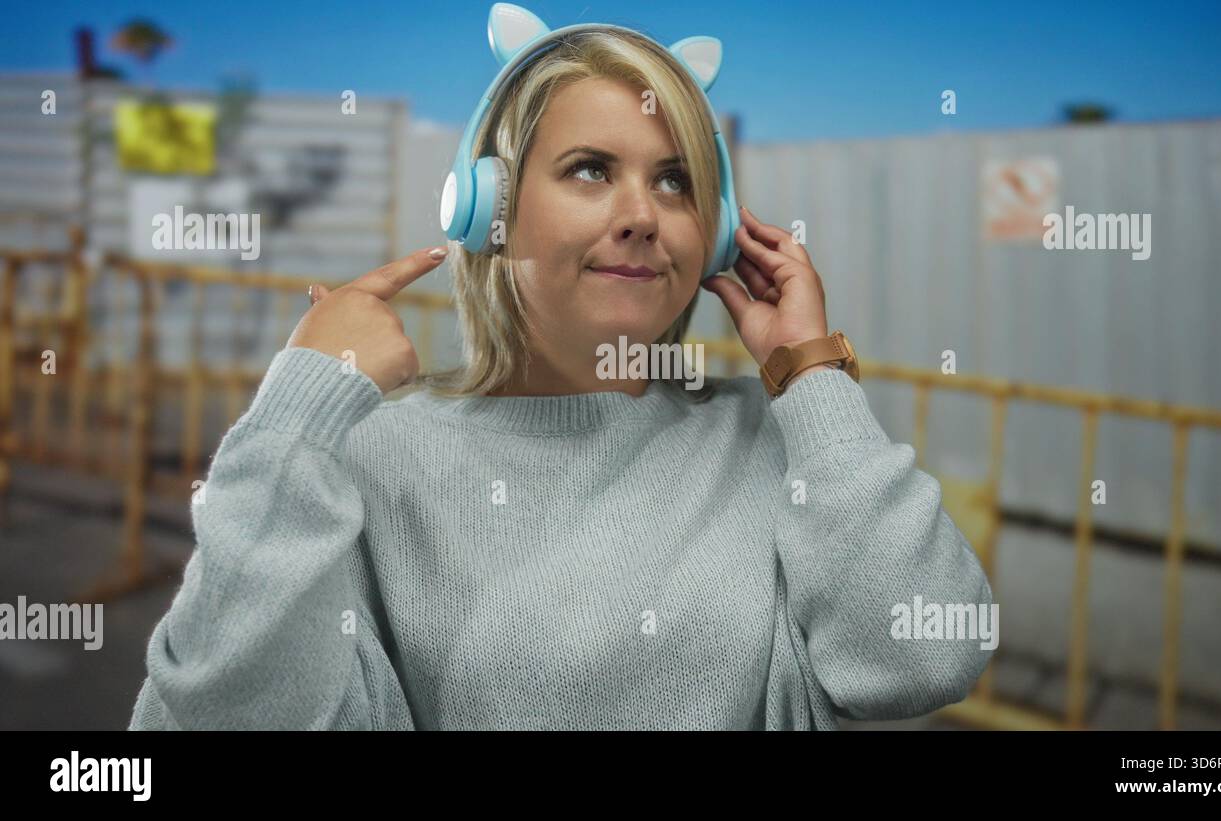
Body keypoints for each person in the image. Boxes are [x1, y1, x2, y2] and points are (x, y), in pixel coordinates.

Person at [128, 4, 994, 731]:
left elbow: (926, 653)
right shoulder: (368, 459)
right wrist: (294, 419)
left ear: (718, 229)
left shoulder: (779, 437)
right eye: (590, 170)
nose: (641, 216)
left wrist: (810, 375)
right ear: (489, 210)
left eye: (674, 182)